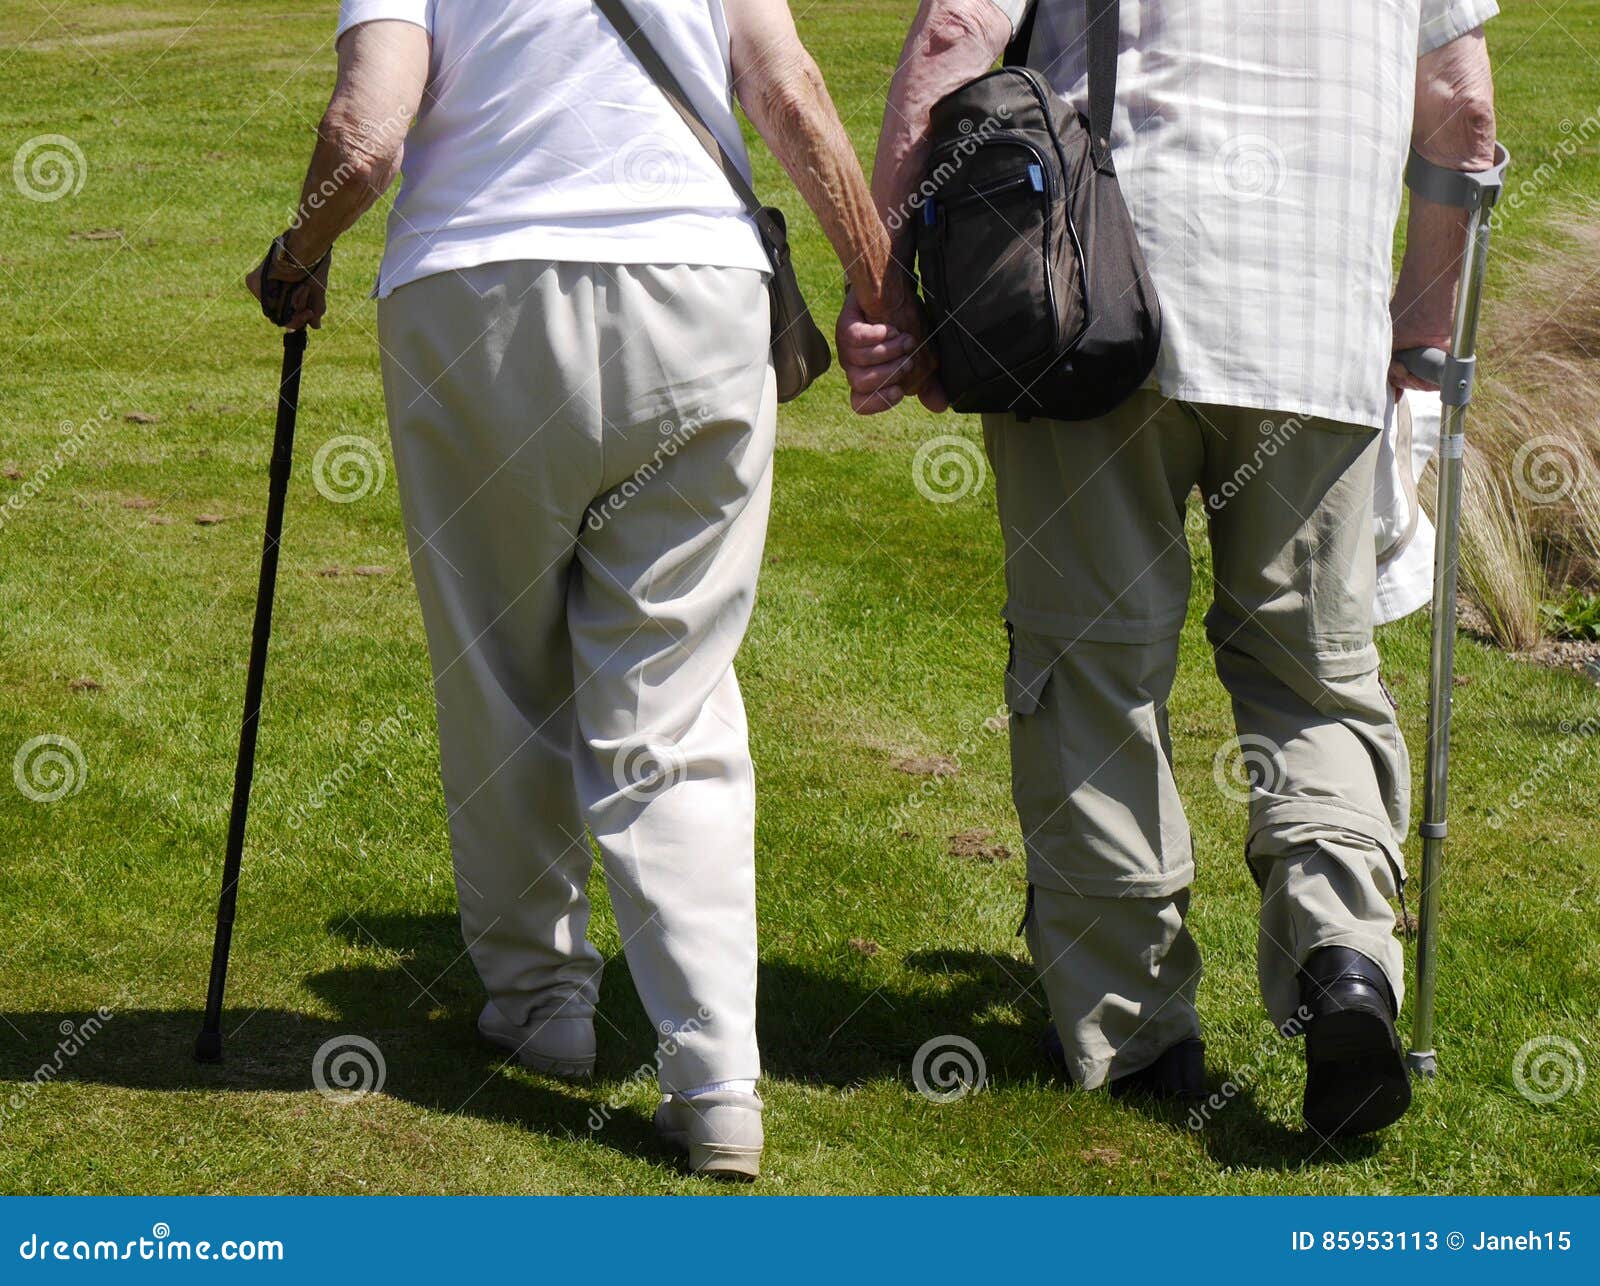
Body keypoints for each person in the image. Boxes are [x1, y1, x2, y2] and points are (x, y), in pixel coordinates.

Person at [247, 0, 922, 1179]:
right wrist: (881, 293)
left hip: (478, 295)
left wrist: (292, 259)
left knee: (501, 671)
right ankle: (716, 1081)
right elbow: (787, 87)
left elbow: (366, 140)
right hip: (697, 293)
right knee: (674, 694)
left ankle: (543, 1003)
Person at [840, 0, 1498, 1138]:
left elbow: (955, 29)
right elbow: (1462, 104)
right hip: (1314, 324)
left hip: (1093, 298)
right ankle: (1343, 956)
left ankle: (1137, 1030)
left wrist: (889, 289)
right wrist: (1416, 317)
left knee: (1091, 662)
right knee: (1312, 670)